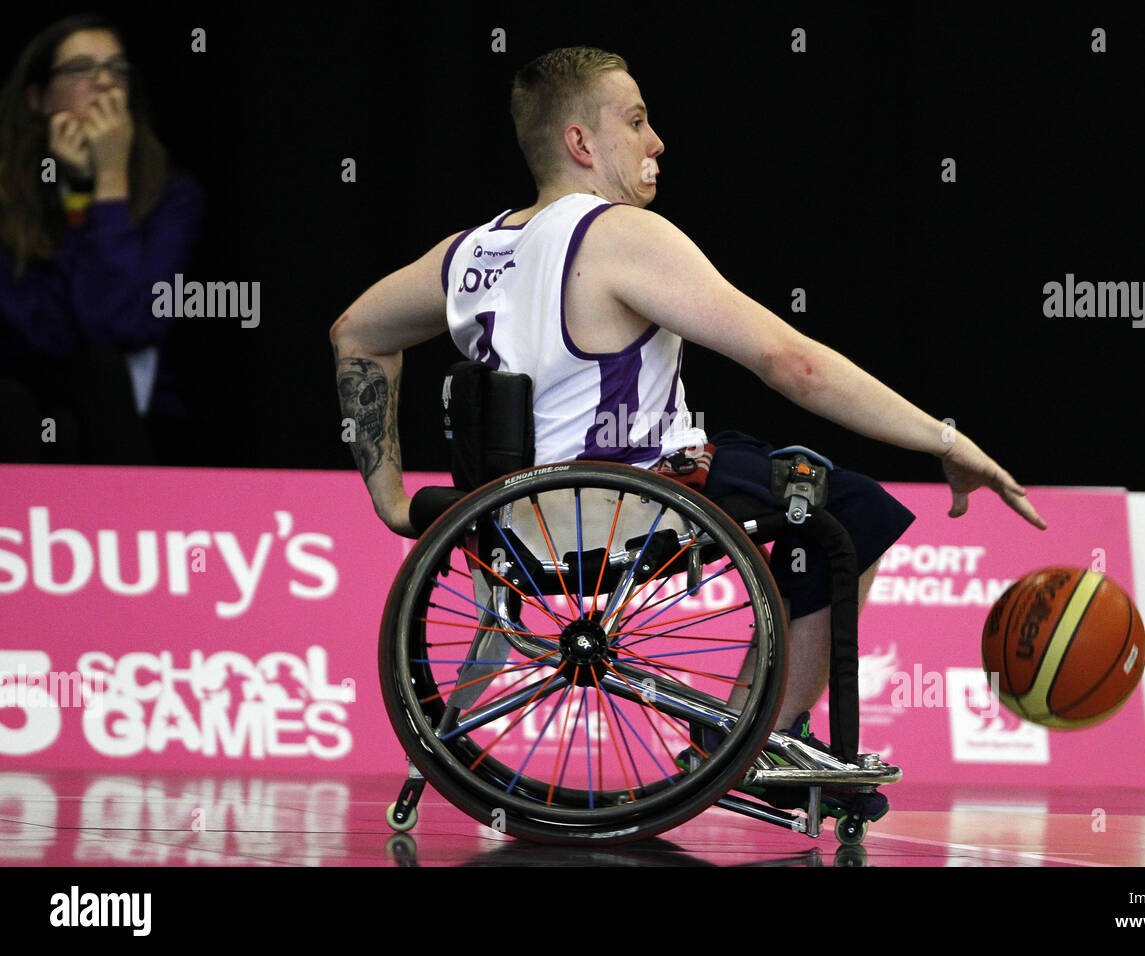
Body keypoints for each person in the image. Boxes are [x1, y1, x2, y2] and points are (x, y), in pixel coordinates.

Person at [331, 46, 1046, 815]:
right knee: (850, 508)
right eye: (636, 121)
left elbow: (355, 333)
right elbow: (790, 362)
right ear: (581, 144)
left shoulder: (469, 252)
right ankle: (762, 736)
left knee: (772, 468)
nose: (656, 141)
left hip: (505, 534)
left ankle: (748, 727)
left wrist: (394, 501)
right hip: (622, 512)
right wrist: (944, 439)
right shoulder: (620, 235)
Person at [0, 14, 203, 463]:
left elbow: (124, 326)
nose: (105, 84)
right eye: (81, 70)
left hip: (131, 418)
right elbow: (36, 339)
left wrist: (108, 181)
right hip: (28, 406)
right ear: (37, 98)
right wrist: (74, 200)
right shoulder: (9, 200)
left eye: (117, 70)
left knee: (101, 371)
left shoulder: (172, 198)